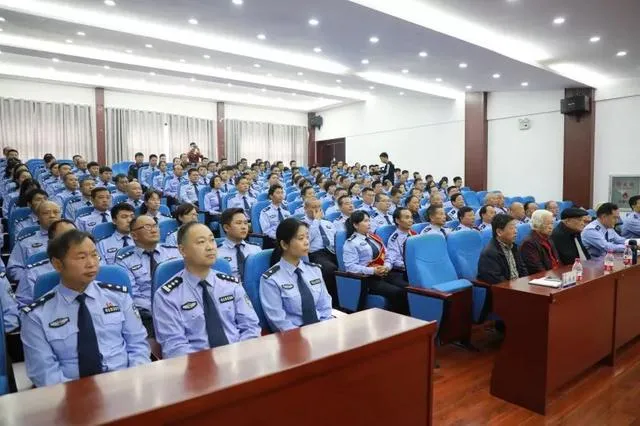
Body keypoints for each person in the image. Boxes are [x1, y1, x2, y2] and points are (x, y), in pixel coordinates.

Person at [20, 230, 150, 387]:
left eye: (94, 255)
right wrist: (81, 397)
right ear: (58, 264)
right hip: (71, 393)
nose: (91, 263)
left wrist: (133, 382)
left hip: (125, 384)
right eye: (81, 257)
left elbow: (138, 346)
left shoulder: (119, 297)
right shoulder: (36, 315)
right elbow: (44, 373)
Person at [153, 222, 260, 358]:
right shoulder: (167, 296)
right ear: (183, 250)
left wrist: (240, 357)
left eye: (212, 240)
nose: (210, 247)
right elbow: (175, 347)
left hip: (240, 358)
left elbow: (250, 327)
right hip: (197, 365)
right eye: (201, 242)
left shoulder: (231, 284)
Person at [260, 218, 333, 331]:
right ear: (284, 244)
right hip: (293, 335)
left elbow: (325, 306)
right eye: (301, 238)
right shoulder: (271, 279)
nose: (307, 242)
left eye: (307, 237)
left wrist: (325, 329)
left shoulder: (315, 270)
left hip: (321, 330)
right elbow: (279, 321)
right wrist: (304, 337)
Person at [115, 215, 182, 336]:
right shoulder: (124, 261)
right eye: (147, 227)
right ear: (134, 235)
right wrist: (160, 309)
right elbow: (133, 295)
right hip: (149, 315)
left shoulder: (174, 252)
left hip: (181, 307)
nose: (154, 230)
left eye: (155, 226)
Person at [343, 210, 408, 314]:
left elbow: (387, 255)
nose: (369, 223)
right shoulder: (351, 243)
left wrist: (387, 266)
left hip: (384, 272)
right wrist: (373, 271)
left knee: (408, 288)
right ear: (355, 225)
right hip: (368, 279)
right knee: (398, 292)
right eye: (365, 221)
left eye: (369, 220)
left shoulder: (374, 237)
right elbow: (350, 267)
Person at [16, 219, 77, 306]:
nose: (71, 242)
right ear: (50, 244)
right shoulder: (33, 273)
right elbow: (23, 306)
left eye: (75, 237)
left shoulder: (91, 266)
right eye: (64, 238)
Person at [8, 201, 61, 283]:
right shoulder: (25, 241)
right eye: (46, 213)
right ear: (38, 217)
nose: (52, 216)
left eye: (56, 212)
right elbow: (13, 269)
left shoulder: (72, 239)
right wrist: (31, 279)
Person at [302, 199, 338, 304]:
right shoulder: (302, 225)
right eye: (314, 207)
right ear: (305, 209)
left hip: (332, 251)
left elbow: (336, 240)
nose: (317, 210)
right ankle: (333, 302)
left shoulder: (328, 223)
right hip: (316, 254)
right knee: (330, 269)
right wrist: (316, 221)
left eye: (319, 207)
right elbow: (307, 239)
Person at [477, 214, 528, 284]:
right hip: (505, 289)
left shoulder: (514, 247)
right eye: (511, 228)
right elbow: (497, 280)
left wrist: (525, 283)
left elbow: (523, 269)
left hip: (519, 285)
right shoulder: (489, 253)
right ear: (499, 232)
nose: (516, 231)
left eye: (515, 228)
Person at [217, 208, 261, 282]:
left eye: (245, 223)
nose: (244, 227)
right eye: (238, 223)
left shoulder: (256, 249)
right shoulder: (217, 253)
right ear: (226, 227)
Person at [519, 210, 560, 274]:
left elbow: (557, 261)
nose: (551, 227)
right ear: (536, 224)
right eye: (547, 224)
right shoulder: (529, 243)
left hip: (556, 274)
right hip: (545, 277)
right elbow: (537, 269)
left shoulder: (549, 238)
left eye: (552, 223)